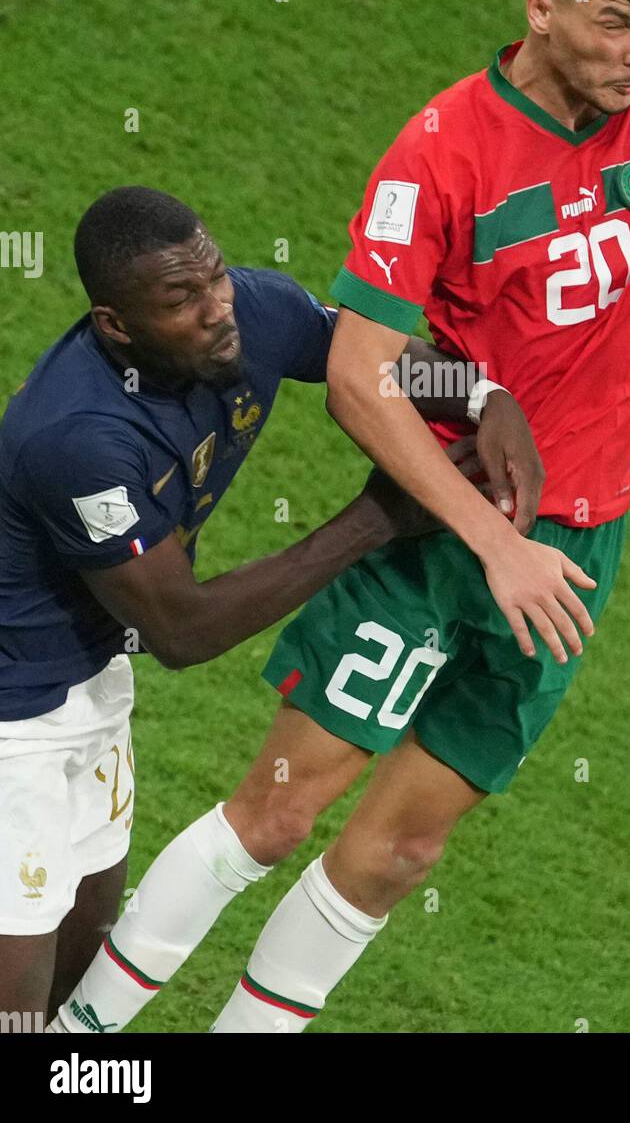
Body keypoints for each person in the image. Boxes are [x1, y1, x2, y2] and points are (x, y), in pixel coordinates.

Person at [53, 0, 630, 1035]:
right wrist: (489, 541)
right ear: (540, 6)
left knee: (398, 851)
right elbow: (367, 376)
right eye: (613, 21)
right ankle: (79, 1051)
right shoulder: (441, 152)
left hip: (575, 555)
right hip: (438, 535)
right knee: (275, 814)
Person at [0, 184, 541, 1025]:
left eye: (214, 278)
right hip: (12, 720)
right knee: (18, 1004)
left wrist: (483, 399)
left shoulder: (253, 310)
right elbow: (181, 628)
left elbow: (364, 357)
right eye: (182, 300)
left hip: (93, 681)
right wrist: (374, 520)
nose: (219, 311)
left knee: (81, 959)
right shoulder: (78, 437)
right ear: (117, 326)